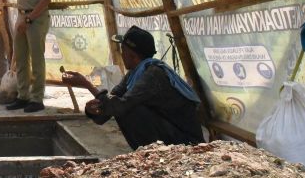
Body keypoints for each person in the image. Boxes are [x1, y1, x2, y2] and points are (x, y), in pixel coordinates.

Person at [62, 25, 204, 149]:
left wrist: (87, 85)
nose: (121, 54)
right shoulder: (133, 74)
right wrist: (93, 109)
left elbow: (119, 107)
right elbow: (108, 108)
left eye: (123, 49)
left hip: (185, 141)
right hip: (170, 134)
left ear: (132, 55)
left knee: (129, 109)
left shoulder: (154, 74)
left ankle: (156, 155)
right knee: (120, 105)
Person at [6, 0, 52, 113]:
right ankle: (23, 96)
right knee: (21, 59)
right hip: (22, 17)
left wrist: (29, 19)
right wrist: (22, 19)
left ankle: (37, 98)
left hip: (35, 19)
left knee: (37, 60)